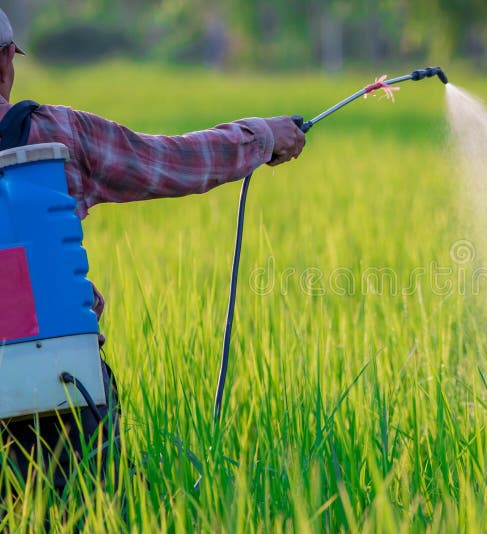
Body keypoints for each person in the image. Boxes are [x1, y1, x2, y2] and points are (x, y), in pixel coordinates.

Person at [0, 8, 305, 495]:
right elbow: (174, 161)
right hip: (62, 384)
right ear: (5, 63)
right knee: (93, 508)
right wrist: (263, 137)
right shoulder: (56, 135)